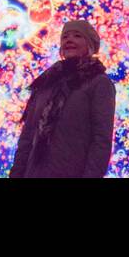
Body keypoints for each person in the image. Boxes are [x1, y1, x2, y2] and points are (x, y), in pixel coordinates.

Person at [11, 19, 115, 178]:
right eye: (65, 36)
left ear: (90, 44)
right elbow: (27, 137)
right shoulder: (46, 82)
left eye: (77, 36)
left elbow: (101, 140)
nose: (69, 40)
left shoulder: (98, 83)